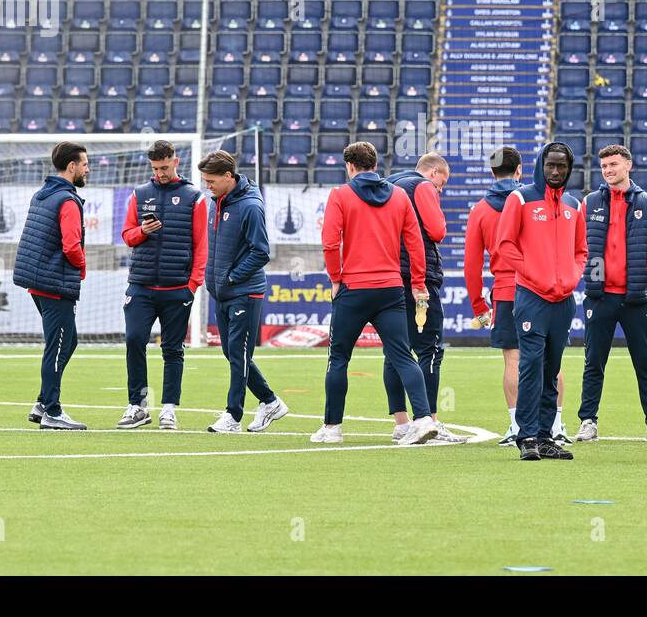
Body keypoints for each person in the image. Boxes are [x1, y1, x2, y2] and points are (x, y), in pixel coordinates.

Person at [313, 141, 438, 446]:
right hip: (391, 288)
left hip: (354, 288)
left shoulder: (340, 195)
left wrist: (335, 278)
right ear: (375, 164)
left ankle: (332, 428)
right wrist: (417, 281)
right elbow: (415, 243)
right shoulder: (398, 196)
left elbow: (330, 242)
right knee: (402, 355)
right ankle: (422, 419)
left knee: (338, 357)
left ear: (350, 167)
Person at [465, 146, 571, 446]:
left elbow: (472, 264)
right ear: (521, 169)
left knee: (513, 359)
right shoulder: (536, 201)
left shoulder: (482, 210)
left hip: (508, 291)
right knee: (554, 360)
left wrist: (478, 305)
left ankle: (515, 426)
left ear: (491, 171)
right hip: (545, 288)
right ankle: (557, 424)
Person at [495, 142, 587, 461]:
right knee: (531, 365)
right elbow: (504, 246)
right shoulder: (520, 198)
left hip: (563, 301)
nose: (556, 171)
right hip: (531, 297)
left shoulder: (574, 204)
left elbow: (581, 252)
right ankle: (527, 435)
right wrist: (537, 276)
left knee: (552, 367)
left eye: (562, 166)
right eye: (551, 165)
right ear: (541, 165)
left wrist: (572, 279)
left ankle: (546, 436)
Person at [574, 145, 647, 443]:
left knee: (645, 363)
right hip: (599, 296)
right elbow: (577, 247)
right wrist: (586, 275)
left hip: (636, 298)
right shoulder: (589, 203)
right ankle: (588, 421)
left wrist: (643, 279)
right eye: (604, 166)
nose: (608, 170)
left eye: (613, 164)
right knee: (594, 362)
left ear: (628, 165)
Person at [116, 140, 208, 430]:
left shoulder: (195, 197)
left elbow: (201, 244)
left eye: (165, 167)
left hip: (177, 288)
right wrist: (142, 231)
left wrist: (192, 284)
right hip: (141, 285)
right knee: (134, 340)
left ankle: (169, 409)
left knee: (172, 349)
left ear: (176, 161)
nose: (161, 173)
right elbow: (127, 236)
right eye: (156, 168)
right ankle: (138, 406)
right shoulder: (140, 194)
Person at [199, 150, 289, 434]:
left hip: (244, 292)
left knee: (238, 354)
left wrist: (232, 277)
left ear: (228, 177)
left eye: (211, 181)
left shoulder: (250, 206)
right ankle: (270, 401)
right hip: (222, 291)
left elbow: (261, 252)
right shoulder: (215, 203)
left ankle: (233, 415)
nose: (207, 186)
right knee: (233, 352)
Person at [384, 153, 468, 443]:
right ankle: (430, 421)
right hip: (418, 278)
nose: (440, 191)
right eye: (441, 184)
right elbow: (437, 230)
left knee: (395, 351)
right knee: (430, 349)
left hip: (388, 275)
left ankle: (401, 423)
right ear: (433, 173)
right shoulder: (422, 186)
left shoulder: (387, 186)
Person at [15, 142, 90, 430]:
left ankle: (42, 402)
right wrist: (81, 266)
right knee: (57, 348)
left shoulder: (42, 195)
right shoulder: (68, 201)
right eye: (84, 164)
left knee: (68, 342)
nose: (87, 169)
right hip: (55, 282)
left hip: (38, 280)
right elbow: (71, 246)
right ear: (71, 167)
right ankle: (53, 411)